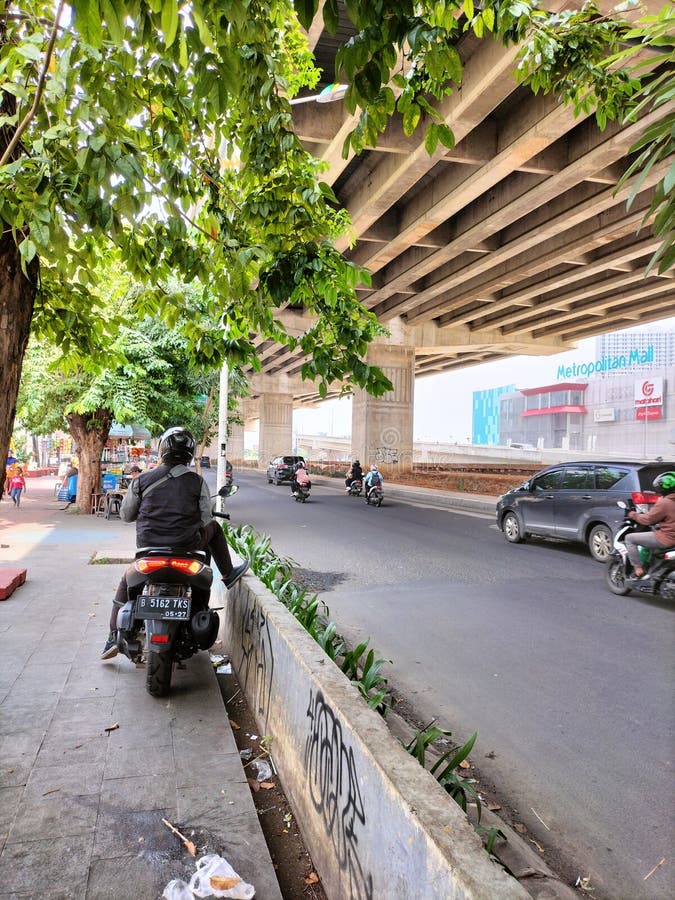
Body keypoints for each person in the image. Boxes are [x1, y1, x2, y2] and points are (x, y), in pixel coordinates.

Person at [101, 426, 249, 659]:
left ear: (162, 450)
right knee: (215, 528)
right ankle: (228, 574)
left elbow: (126, 515)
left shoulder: (141, 480)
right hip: (187, 551)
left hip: (148, 552)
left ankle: (111, 637)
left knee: (126, 584)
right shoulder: (196, 482)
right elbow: (205, 519)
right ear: (189, 453)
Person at [625, 471, 675, 579]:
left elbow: (648, 520)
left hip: (667, 538)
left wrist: (632, 514)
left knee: (629, 538)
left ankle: (638, 570)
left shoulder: (665, 502)